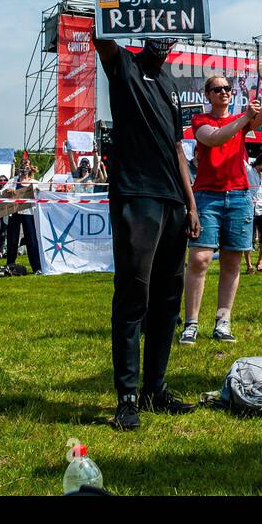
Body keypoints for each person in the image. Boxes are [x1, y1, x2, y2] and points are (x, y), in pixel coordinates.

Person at [96, 35, 200, 430]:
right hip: (136, 196)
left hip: (173, 200)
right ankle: (126, 398)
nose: (164, 40)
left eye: (170, 34)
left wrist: (191, 205)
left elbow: (177, 150)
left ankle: (154, 389)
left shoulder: (171, 84)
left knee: (167, 302)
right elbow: (102, 38)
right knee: (132, 296)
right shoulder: (123, 64)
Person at [182, 66, 262, 342]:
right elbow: (215, 139)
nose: (224, 92)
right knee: (199, 259)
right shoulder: (200, 120)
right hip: (207, 196)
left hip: (238, 195)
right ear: (208, 95)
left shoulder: (241, 118)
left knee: (232, 262)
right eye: (218, 89)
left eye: (227, 88)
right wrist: (244, 119)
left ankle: (222, 321)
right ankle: (191, 322)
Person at [244, 153, 262, 274]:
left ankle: (260, 261)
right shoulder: (249, 169)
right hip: (249, 207)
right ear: (261, 163)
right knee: (249, 239)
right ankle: (249, 265)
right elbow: (240, 158)